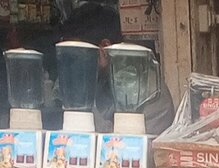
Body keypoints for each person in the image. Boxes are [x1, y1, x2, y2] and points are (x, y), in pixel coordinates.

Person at [59, 2, 176, 136]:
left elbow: (126, 146)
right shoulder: (98, 80)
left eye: (78, 55)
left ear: (103, 48)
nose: (74, 64)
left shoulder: (146, 90)